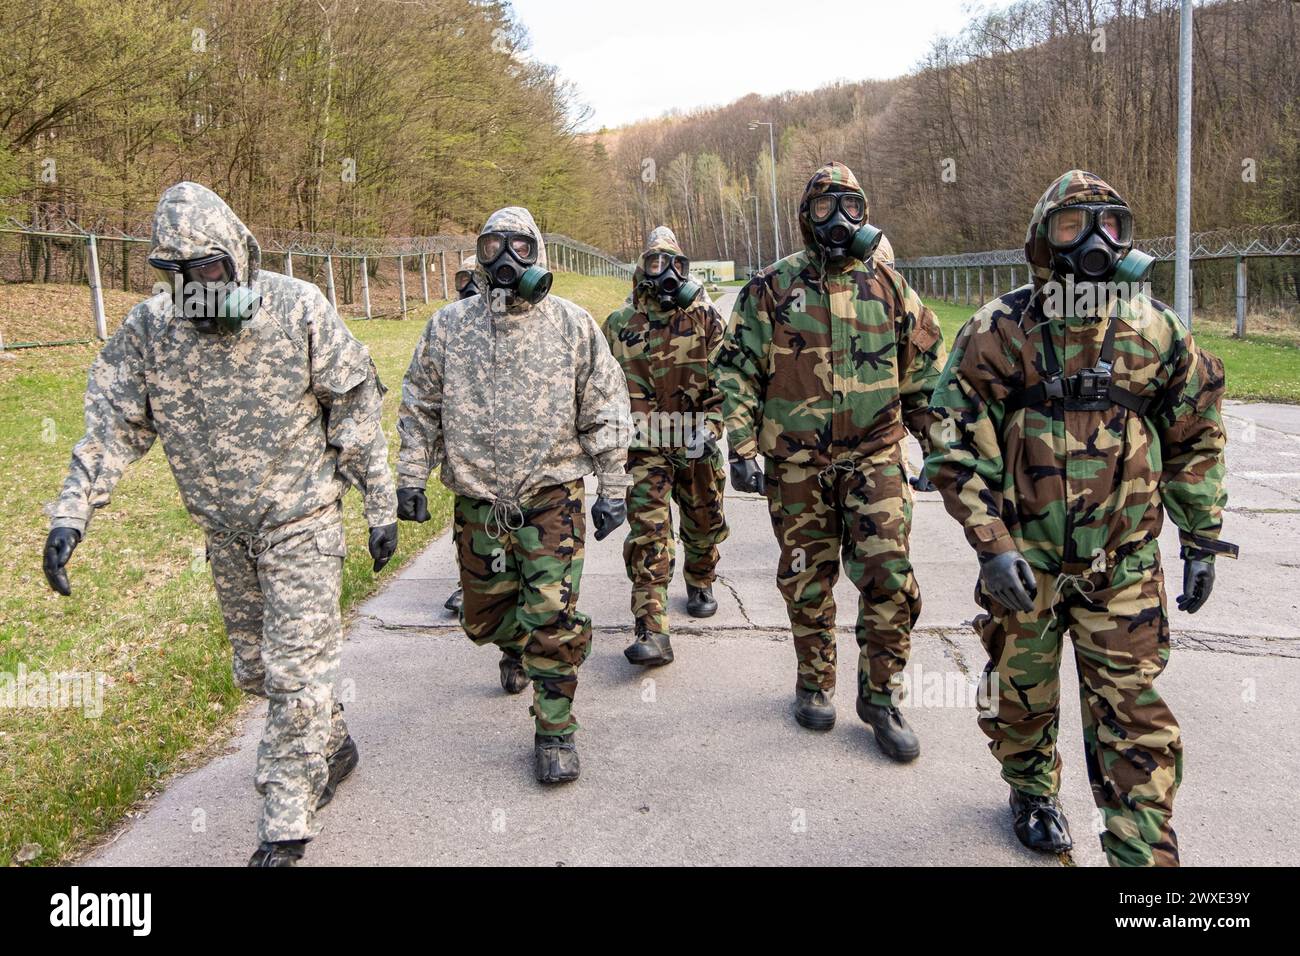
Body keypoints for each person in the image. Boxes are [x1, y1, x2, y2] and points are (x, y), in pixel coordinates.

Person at [42, 182, 398, 866]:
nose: (195, 287)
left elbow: (353, 408)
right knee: (261, 672)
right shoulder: (151, 332)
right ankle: (331, 746)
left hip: (302, 525)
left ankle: (284, 826)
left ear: (239, 257)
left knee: (294, 673)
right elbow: (112, 424)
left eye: (207, 269)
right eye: (177, 274)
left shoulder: (298, 309)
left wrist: (380, 504)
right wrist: (72, 514)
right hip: (226, 537)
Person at [924, 169, 1236, 866]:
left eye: (1111, 226)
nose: (1095, 241)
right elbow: (950, 444)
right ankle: (1032, 790)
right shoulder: (998, 332)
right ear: (1043, 238)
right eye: (1074, 226)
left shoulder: (1154, 332)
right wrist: (991, 543)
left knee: (1136, 728)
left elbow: (1196, 432)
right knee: (1020, 703)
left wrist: (1202, 533)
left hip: (1122, 570)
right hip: (1023, 569)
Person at [716, 161, 946, 758]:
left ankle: (882, 695)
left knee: (889, 579)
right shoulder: (771, 287)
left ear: (865, 215)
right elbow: (736, 369)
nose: (838, 220)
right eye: (824, 208)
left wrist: (941, 446)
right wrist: (741, 445)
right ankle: (814, 683)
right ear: (805, 216)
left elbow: (924, 379)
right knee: (805, 580)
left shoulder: (891, 287)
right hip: (797, 466)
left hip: (876, 460)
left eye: (851, 208)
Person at [395, 206, 631, 784]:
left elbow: (605, 407)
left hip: (553, 498)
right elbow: (420, 405)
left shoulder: (572, 324)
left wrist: (614, 485)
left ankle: (555, 731)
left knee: (553, 616)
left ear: (539, 255)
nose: (505, 259)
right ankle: (512, 642)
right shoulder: (449, 327)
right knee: (484, 617)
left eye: (519, 247)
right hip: (480, 503)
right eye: (492, 245)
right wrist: (409, 477)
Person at [603, 226, 729, 666]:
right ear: (642, 270)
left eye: (676, 264)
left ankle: (700, 578)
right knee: (649, 535)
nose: (667, 273)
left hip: (696, 443)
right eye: (656, 263)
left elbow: (728, 382)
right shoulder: (620, 324)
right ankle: (652, 628)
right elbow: (602, 389)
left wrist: (712, 427)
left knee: (702, 521)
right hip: (644, 448)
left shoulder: (707, 318)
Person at [440, 254, 480, 615]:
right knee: (467, 527)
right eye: (461, 279)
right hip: (467, 451)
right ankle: (465, 584)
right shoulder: (451, 328)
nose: (466, 287)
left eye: (473, 279)